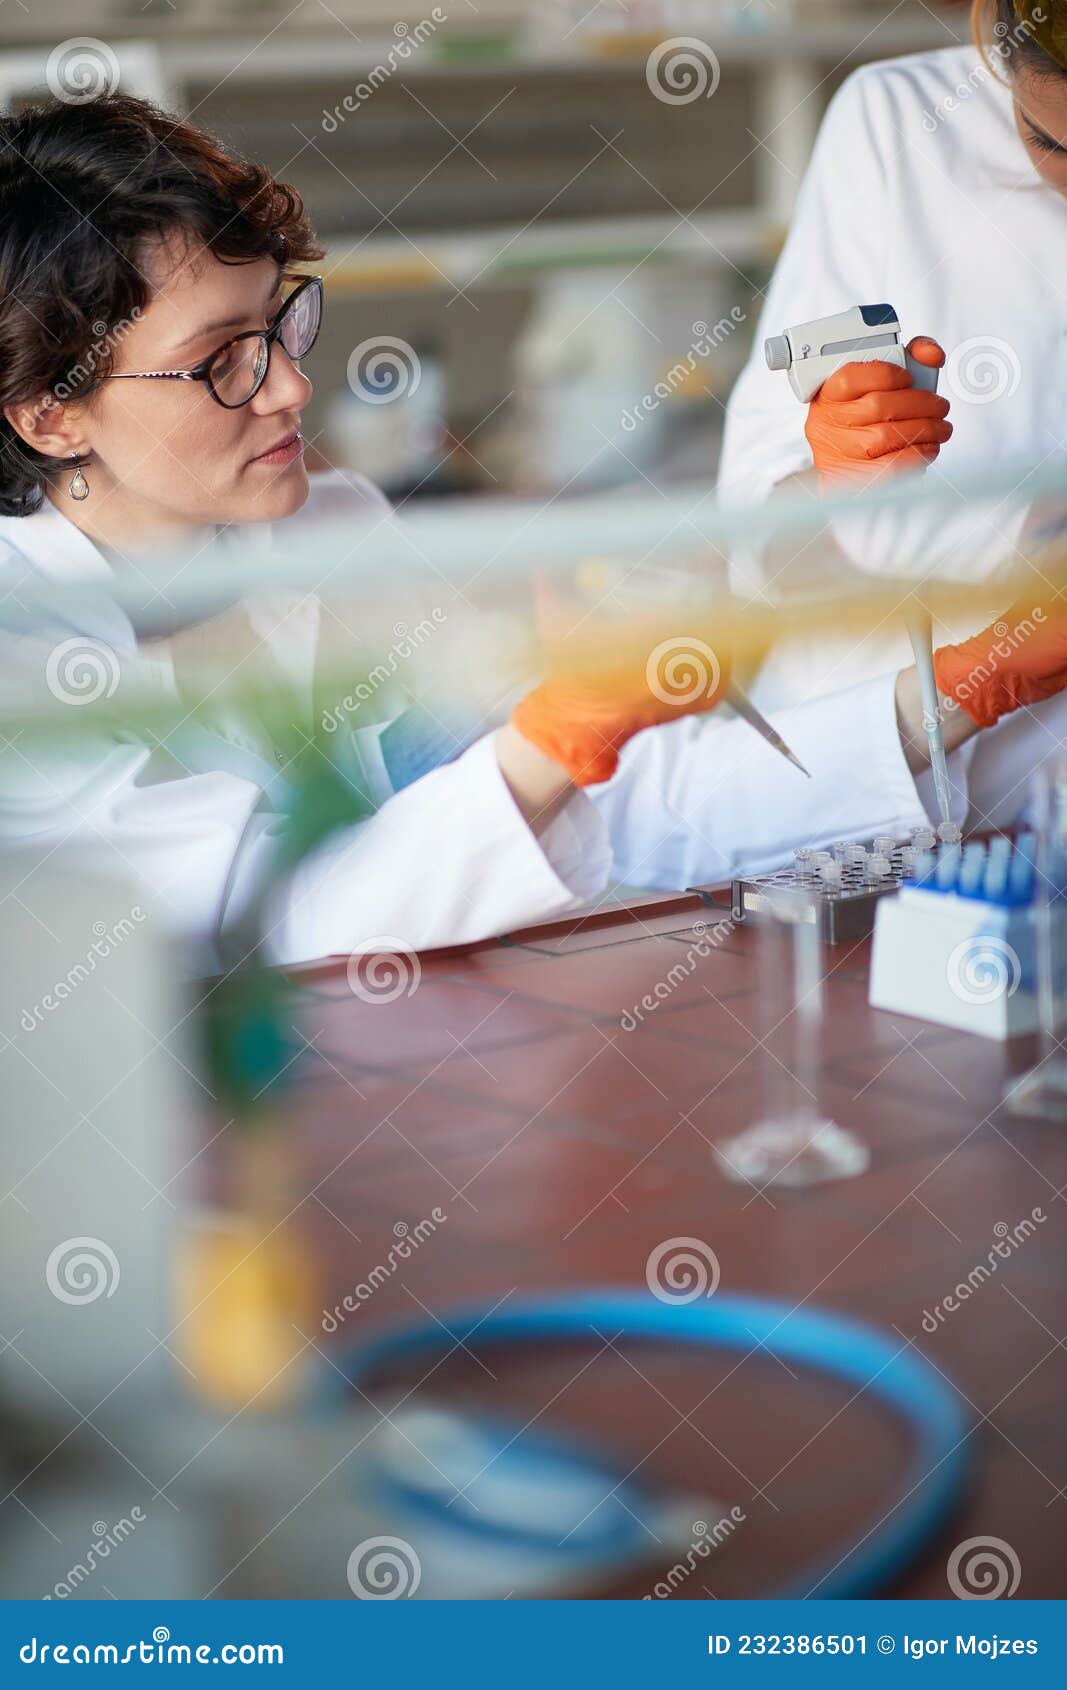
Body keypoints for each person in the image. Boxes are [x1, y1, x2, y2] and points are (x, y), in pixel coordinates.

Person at [0, 94, 1061, 967]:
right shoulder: (21, 648)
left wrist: (964, 689)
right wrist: (555, 736)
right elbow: (265, 916)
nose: (289, 384)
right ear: (49, 412)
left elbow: (613, 801)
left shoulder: (334, 529)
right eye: (221, 356)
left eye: (278, 323)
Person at [717, 0, 1067, 814]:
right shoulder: (898, 128)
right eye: (1049, 141)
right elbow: (760, 549)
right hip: (884, 781)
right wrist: (831, 482)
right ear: (990, 33)